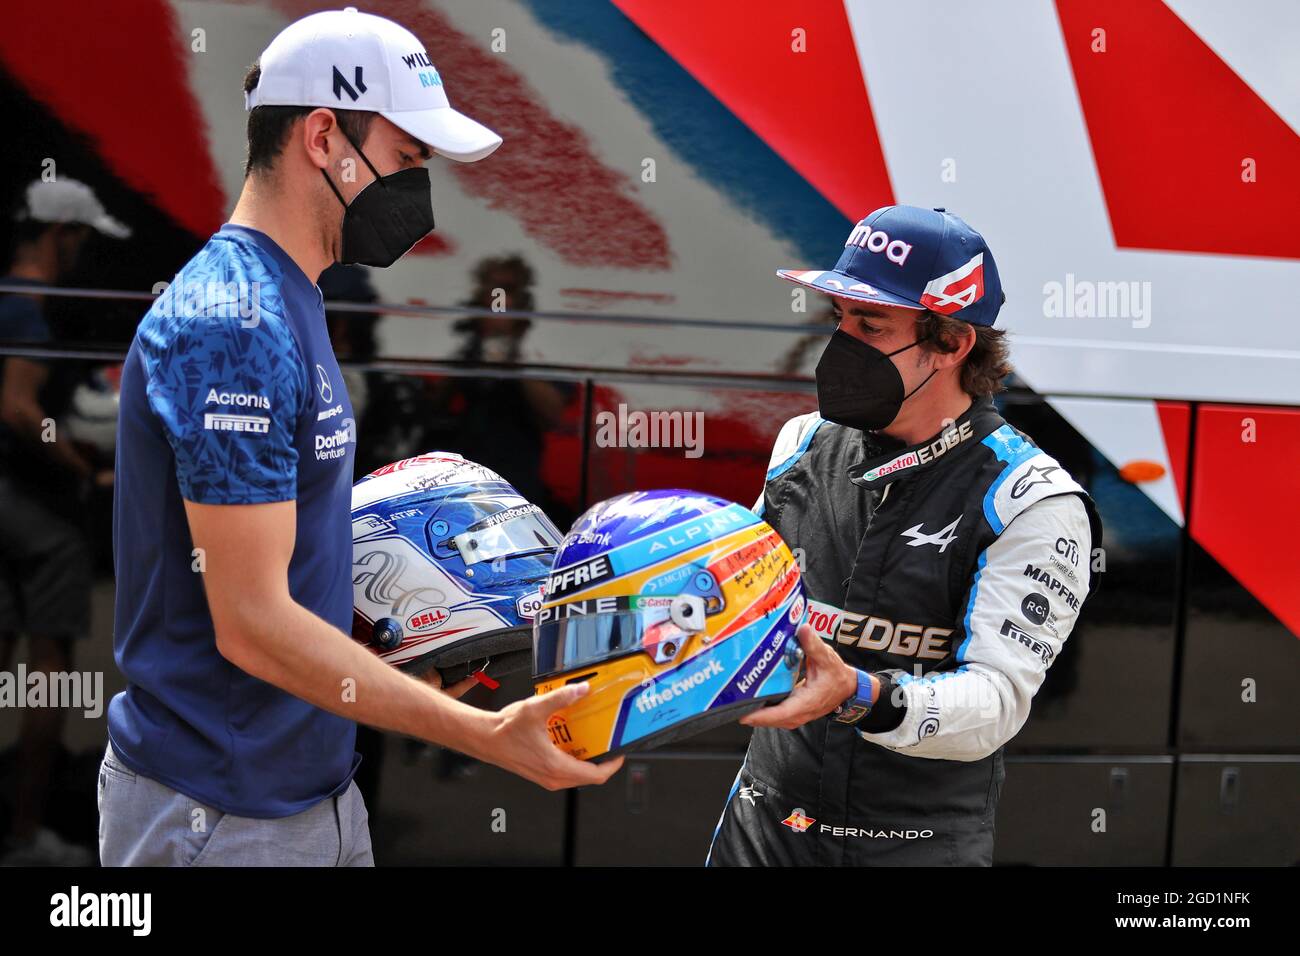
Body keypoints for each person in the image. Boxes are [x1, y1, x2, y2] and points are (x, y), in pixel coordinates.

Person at [100, 7, 620, 868]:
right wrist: (484, 734)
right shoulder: (234, 321)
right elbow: (253, 624)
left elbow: (290, 578)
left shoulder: (293, 293)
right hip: (223, 815)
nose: (420, 186)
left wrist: (399, 664)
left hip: (309, 792)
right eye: (409, 158)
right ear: (323, 137)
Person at [707, 205, 1102, 866]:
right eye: (840, 319)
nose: (843, 344)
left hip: (912, 843)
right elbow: (745, 601)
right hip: (767, 820)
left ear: (952, 343)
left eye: (871, 324)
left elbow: (997, 703)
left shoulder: (1030, 498)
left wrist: (859, 694)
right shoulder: (802, 444)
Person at [0, 178, 129, 866]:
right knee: (49, 673)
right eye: (82, 238)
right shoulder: (28, 312)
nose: (84, 253)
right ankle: (25, 835)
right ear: (62, 235)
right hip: (37, 511)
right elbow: (20, 407)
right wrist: (89, 469)